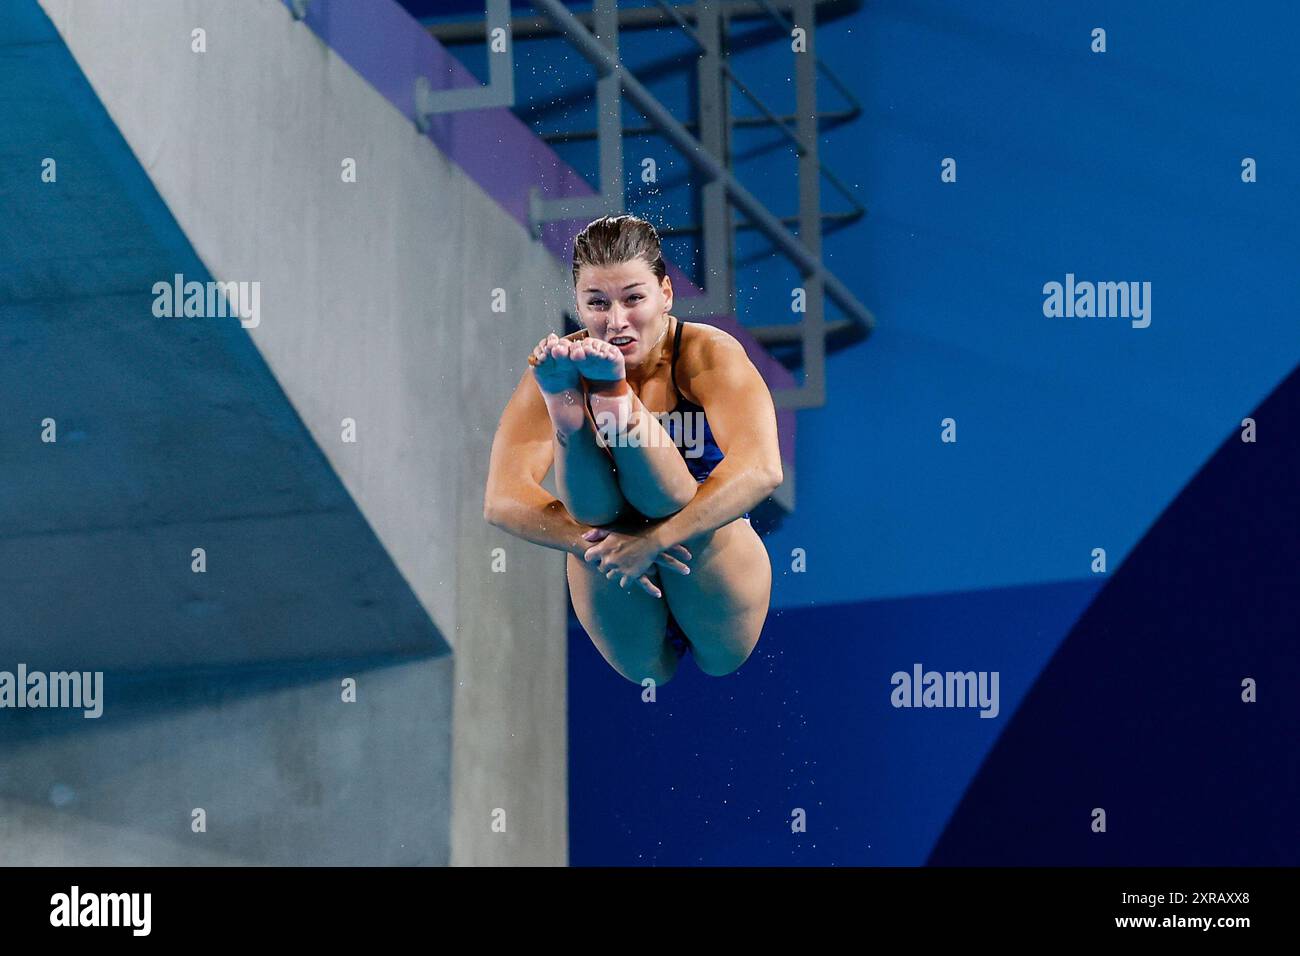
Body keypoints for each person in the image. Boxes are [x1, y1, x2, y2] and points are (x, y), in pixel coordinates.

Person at [484, 215, 782, 683]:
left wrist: (654, 540)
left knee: (719, 657)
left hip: (703, 549)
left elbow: (762, 469)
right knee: (651, 670)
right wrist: (598, 546)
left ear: (666, 293)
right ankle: (578, 425)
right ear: (578, 304)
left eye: (633, 298)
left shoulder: (706, 353)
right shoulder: (560, 363)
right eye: (597, 303)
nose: (616, 322)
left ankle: (612, 408)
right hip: (615, 551)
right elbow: (501, 499)